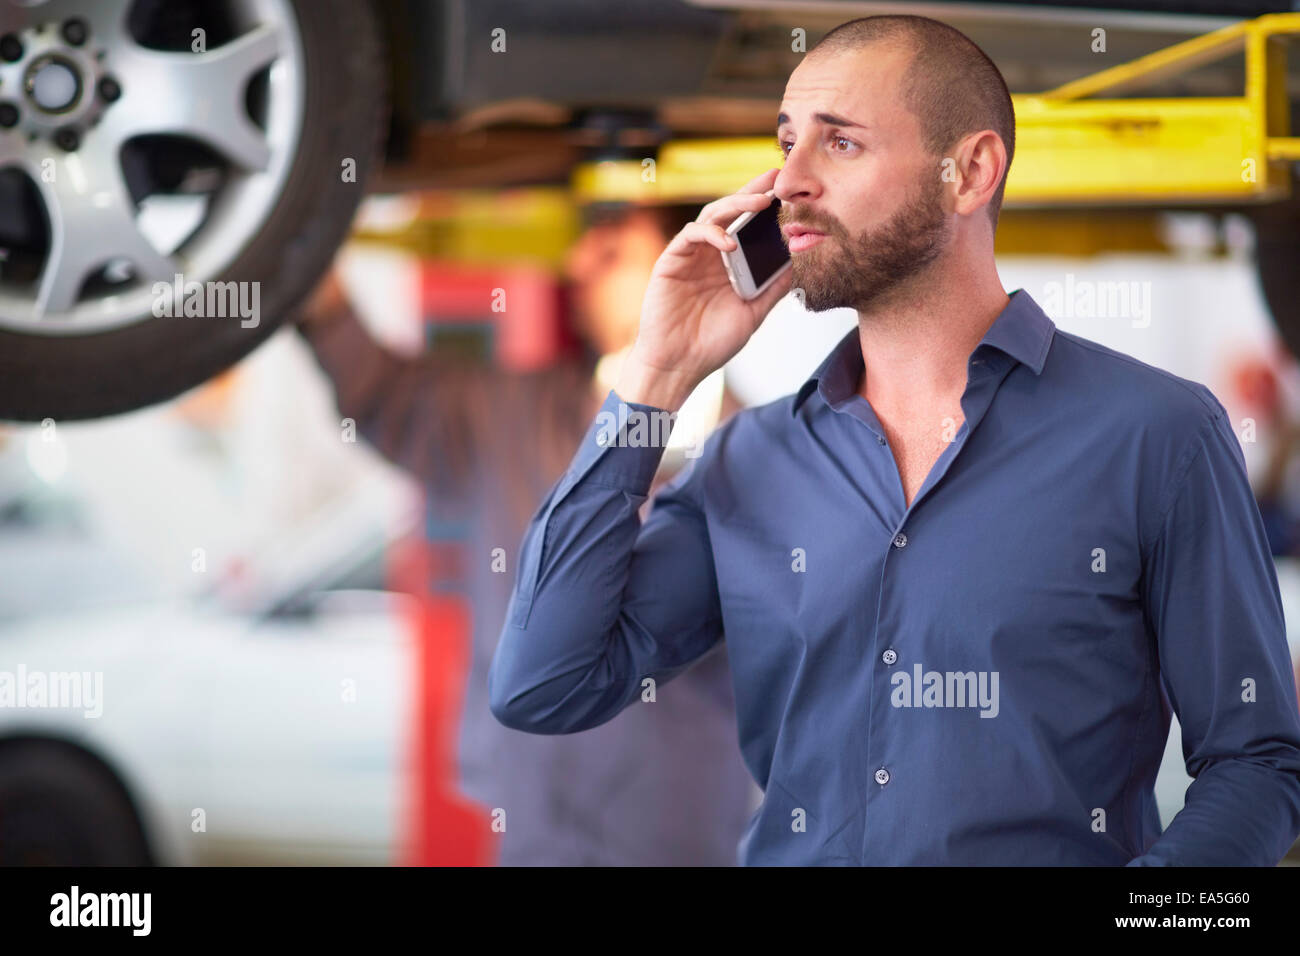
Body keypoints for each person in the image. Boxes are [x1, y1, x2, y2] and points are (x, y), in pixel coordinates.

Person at [490, 14, 1300, 865]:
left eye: (839, 145)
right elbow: (544, 686)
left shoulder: (1156, 437)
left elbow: (1260, 765)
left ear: (969, 172)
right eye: (786, 141)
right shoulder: (747, 463)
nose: (788, 183)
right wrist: (656, 375)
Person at [296, 201, 759, 865]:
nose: (576, 267)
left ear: (693, 261)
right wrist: (310, 278)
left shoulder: (754, 454)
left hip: (668, 824)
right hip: (531, 815)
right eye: (581, 248)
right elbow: (381, 393)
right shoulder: (508, 415)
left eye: (610, 252)